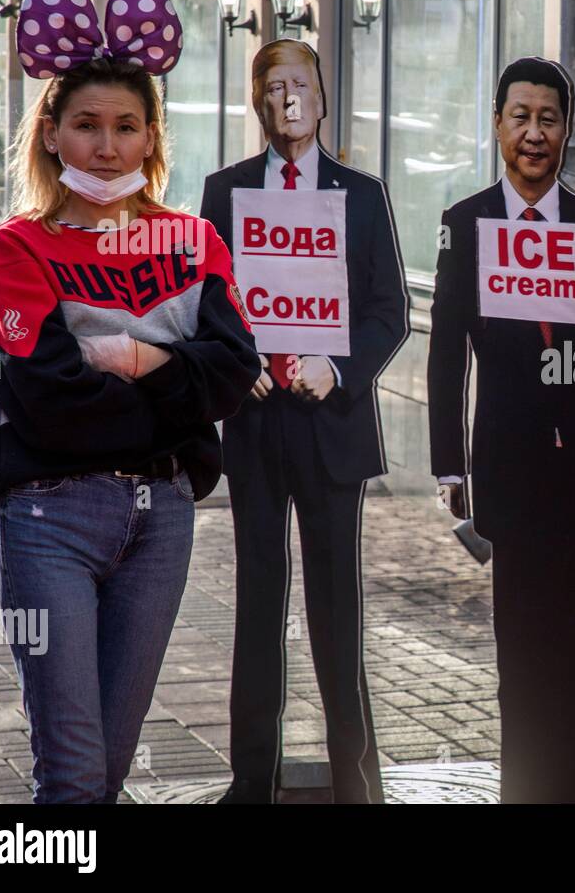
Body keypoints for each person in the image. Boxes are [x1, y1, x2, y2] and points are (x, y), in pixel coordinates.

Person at [0, 0, 261, 803]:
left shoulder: (195, 239)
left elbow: (236, 370)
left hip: (162, 521)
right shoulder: (16, 247)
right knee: (74, 774)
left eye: (125, 127)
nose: (106, 145)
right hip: (49, 516)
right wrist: (175, 377)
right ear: (52, 135)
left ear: (150, 139)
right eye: (87, 125)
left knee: (112, 768)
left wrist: (135, 362)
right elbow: (49, 399)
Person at [427, 57, 575, 802]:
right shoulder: (465, 226)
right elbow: (445, 354)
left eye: (550, 118)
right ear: (498, 124)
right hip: (507, 479)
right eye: (521, 116)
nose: (535, 133)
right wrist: (449, 467)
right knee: (523, 665)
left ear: (568, 131)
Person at [201, 40, 410, 804]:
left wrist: (340, 366)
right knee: (258, 604)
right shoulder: (224, 192)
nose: (289, 99)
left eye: (302, 84)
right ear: (258, 103)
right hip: (255, 426)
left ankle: (357, 783)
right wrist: (238, 360)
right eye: (274, 87)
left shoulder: (362, 192)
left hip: (333, 424)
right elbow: (208, 307)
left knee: (336, 609)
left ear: (323, 98)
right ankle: (250, 780)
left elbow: (392, 309)